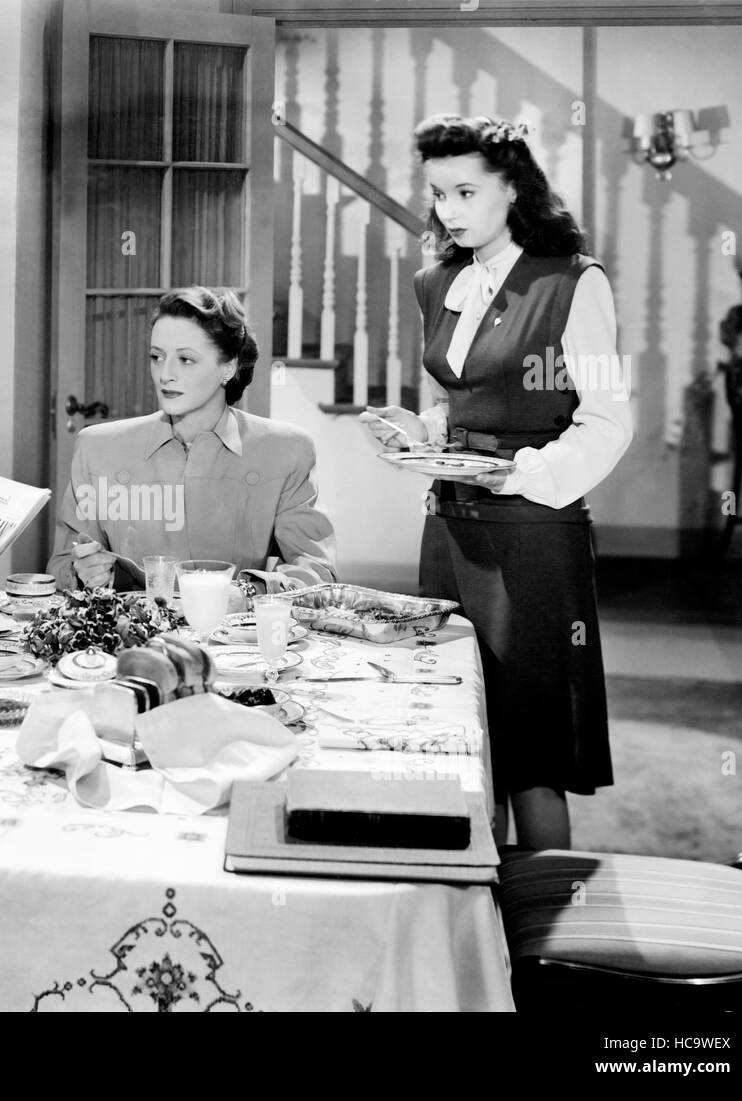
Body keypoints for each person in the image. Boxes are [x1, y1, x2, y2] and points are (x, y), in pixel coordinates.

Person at [361, 115, 632, 850]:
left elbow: (609, 420)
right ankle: (478, 926)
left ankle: (542, 934)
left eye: (466, 191)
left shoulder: (572, 283)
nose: (448, 210)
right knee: (461, 737)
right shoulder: (438, 280)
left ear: (514, 188)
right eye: (438, 193)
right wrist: (420, 429)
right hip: (449, 530)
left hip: (533, 536)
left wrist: (526, 472)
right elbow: (462, 395)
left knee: (530, 752)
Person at [47, 286, 337, 593]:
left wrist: (248, 594)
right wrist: (85, 573)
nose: (165, 374)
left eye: (186, 359)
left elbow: (317, 573)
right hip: (133, 636)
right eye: (157, 357)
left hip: (235, 635)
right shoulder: (97, 447)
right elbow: (62, 566)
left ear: (228, 367)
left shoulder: (286, 450)